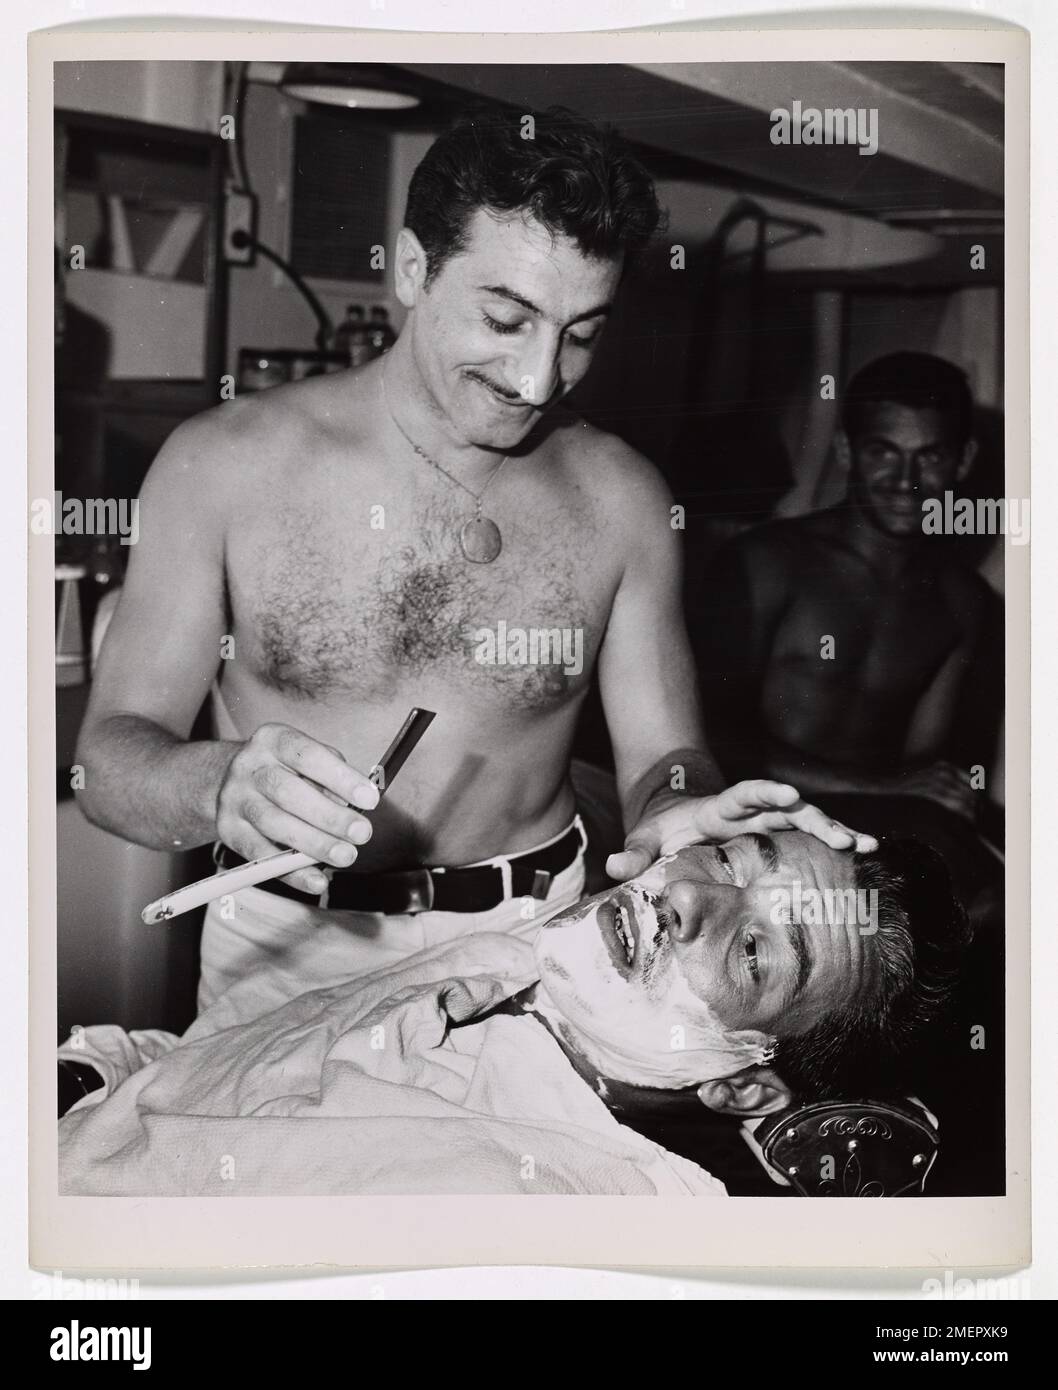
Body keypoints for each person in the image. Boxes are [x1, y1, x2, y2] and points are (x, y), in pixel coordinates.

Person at [75, 106, 872, 1008]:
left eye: (581, 335)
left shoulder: (623, 497)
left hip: (537, 948)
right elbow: (105, 765)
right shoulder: (220, 464)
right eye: (507, 318)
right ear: (413, 269)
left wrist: (675, 805)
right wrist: (219, 784)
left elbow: (666, 753)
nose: (539, 380)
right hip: (285, 948)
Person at [57, 829, 967, 1196]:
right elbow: (210, 1057)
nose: (690, 897)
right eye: (733, 860)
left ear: (739, 1087)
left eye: (757, 952)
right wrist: (91, 1070)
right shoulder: (509, 961)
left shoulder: (516, 1198)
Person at [695, 352, 997, 821]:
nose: (906, 481)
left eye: (930, 456)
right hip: (751, 820)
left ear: (964, 460)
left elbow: (928, 768)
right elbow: (706, 735)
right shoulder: (766, 563)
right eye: (883, 452)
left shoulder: (964, 601)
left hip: (871, 833)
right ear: (845, 450)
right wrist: (878, 786)